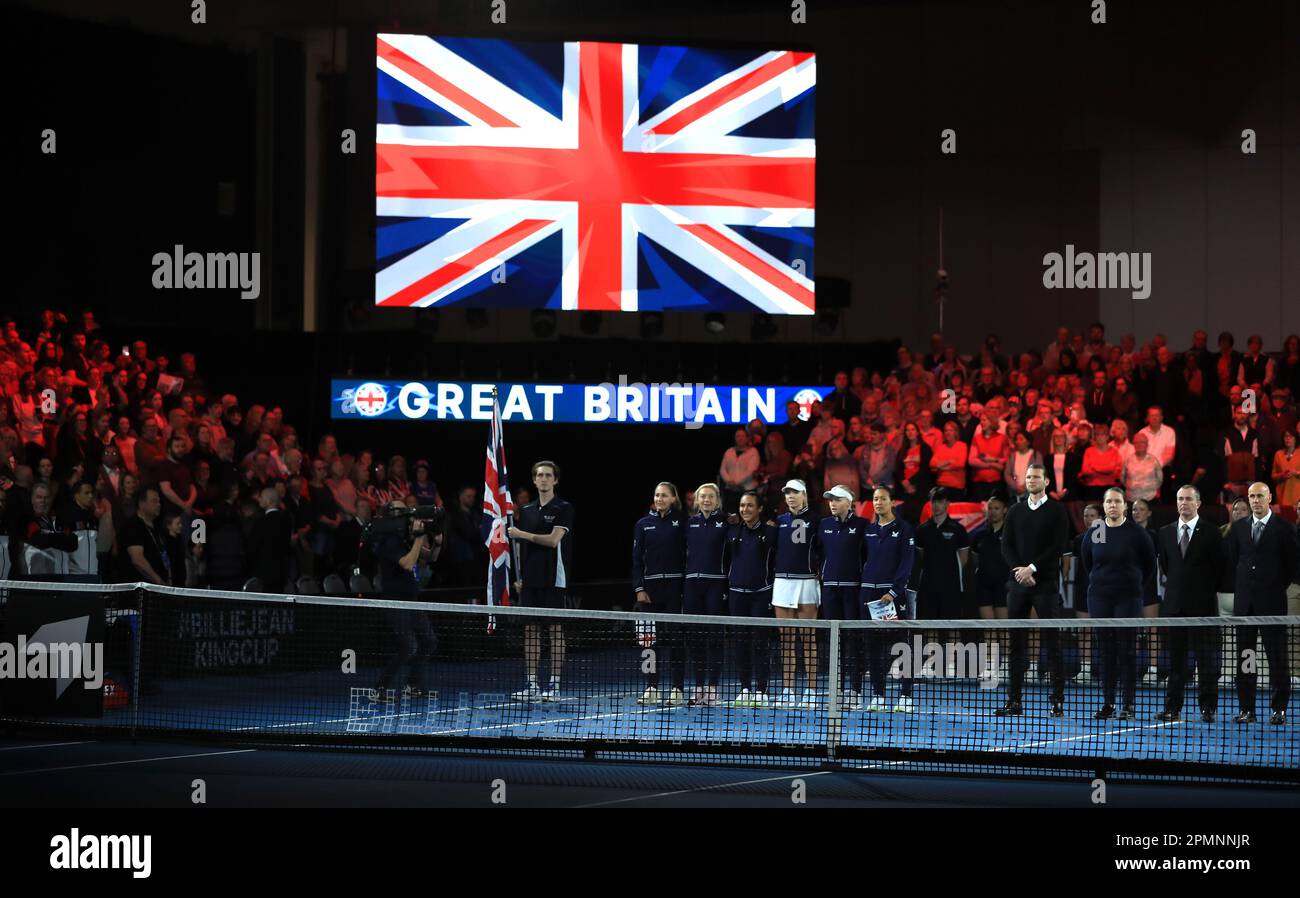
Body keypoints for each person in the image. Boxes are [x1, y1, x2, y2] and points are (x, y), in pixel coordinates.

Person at [996, 462, 1070, 717]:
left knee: (1052, 643)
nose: (1031, 480)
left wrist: (1032, 568)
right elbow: (1006, 546)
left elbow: (1058, 546)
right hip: (1018, 584)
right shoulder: (1015, 511)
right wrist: (1020, 571)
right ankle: (1014, 701)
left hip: (1046, 585)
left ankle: (1057, 700)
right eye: (1028, 477)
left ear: (1046, 481)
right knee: (1016, 644)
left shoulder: (1058, 511)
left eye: (1036, 477)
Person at [1225, 483, 1299, 724]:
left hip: (1272, 606)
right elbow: (1234, 561)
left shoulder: (1284, 528)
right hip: (1245, 608)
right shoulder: (1238, 529)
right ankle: (1248, 709)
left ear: (1270, 498)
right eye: (1252, 496)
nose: (1255, 500)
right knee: (1247, 661)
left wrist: (1274, 586)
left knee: (1277, 659)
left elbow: (1292, 566)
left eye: (1259, 496)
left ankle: (1279, 709)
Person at [1081, 487, 1156, 720]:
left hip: (1128, 597)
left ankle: (1128, 704)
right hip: (1099, 597)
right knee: (1105, 651)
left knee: (1127, 651)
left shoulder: (1136, 533)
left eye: (1117, 501)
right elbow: (1088, 561)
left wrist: (1132, 585)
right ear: (1103, 506)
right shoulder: (1096, 530)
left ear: (1125, 506)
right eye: (1108, 502)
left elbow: (1149, 566)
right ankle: (1109, 704)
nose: (1112, 505)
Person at [1154, 485, 1226, 723]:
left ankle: (1208, 708)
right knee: (1176, 663)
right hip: (1173, 609)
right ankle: (1172, 707)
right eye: (1180, 499)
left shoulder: (1212, 532)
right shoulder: (1164, 532)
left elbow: (1218, 569)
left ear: (1198, 503)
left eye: (1188, 499)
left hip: (1203, 609)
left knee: (1206, 661)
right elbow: (1167, 567)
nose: (1183, 503)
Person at [506, 461, 573, 702]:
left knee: (555, 631)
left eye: (548, 475)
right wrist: (521, 577)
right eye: (539, 475)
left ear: (555, 480)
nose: (543, 479)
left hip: (554, 578)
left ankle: (554, 686)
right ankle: (532, 685)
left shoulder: (564, 507)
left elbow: (553, 540)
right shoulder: (526, 510)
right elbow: (523, 550)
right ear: (534, 480)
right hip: (530, 581)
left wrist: (521, 534)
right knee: (530, 631)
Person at [369, 500, 440, 703]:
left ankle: (413, 686)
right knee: (409, 646)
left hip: (411, 600)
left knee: (429, 641)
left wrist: (438, 541)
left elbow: (431, 557)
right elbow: (408, 564)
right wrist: (418, 539)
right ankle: (379, 690)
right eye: (400, 510)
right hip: (394, 602)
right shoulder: (389, 542)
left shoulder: (403, 539)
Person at [858, 485, 917, 712]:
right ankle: (878, 695)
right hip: (870, 596)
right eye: (875, 499)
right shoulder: (869, 531)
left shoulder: (904, 529)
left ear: (893, 502)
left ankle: (906, 696)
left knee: (902, 644)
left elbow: (907, 563)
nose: (878, 503)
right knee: (872, 646)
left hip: (892, 596)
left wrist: (894, 592)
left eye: (883, 499)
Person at [631, 482, 687, 706]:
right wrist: (639, 588)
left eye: (664, 495)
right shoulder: (643, 524)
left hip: (675, 589)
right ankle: (651, 687)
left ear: (673, 498)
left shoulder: (682, 522)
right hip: (649, 592)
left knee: (676, 641)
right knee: (648, 642)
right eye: (657, 495)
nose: (660, 498)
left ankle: (677, 689)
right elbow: (636, 560)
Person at [772, 479, 820, 709]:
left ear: (804, 495)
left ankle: (811, 690)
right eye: (787, 493)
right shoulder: (779, 521)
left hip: (807, 583)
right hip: (782, 582)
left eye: (795, 493)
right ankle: (788, 690)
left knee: (808, 638)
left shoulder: (817, 520)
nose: (790, 497)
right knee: (787, 640)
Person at [818, 484, 866, 709]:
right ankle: (836, 690)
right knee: (834, 642)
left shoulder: (863, 526)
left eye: (837, 499)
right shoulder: (824, 525)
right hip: (829, 590)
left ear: (849, 502)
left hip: (852, 589)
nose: (833, 503)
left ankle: (854, 691)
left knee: (853, 642)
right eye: (830, 500)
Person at [728, 490, 776, 708]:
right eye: (742, 505)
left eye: (749, 506)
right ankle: (745, 688)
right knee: (740, 644)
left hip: (761, 595)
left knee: (760, 644)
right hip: (737, 596)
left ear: (759, 509)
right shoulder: (732, 532)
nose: (745, 509)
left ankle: (762, 690)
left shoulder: (770, 532)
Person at [684, 482, 728, 706]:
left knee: (715, 638)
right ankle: (699, 685)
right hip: (692, 584)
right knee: (696, 638)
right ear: (697, 501)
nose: (707, 500)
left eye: (711, 496)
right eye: (703, 496)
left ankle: (713, 687)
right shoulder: (689, 523)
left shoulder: (726, 522)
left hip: (716, 585)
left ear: (717, 500)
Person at [119, 487, 169, 586]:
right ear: (141, 504)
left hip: (159, 586)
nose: (159, 505)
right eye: (154, 501)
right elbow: (137, 560)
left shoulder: (157, 526)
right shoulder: (133, 526)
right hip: (141, 588)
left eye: (159, 501)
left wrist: (169, 578)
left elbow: (164, 553)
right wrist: (159, 582)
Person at [719, 428, 761, 513]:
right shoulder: (729, 452)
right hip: (730, 491)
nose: (740, 438)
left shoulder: (753, 452)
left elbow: (751, 470)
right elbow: (723, 469)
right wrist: (729, 482)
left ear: (747, 438)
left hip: (747, 491)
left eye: (742, 436)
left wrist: (736, 482)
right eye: (738, 436)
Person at [1271, 429, 1300, 508]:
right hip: (1282, 496)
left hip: (1297, 496)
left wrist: (1296, 473)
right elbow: (1273, 476)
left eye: (1290, 436)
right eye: (1285, 436)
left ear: (1295, 439)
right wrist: (1281, 475)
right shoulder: (1278, 454)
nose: (1287, 438)